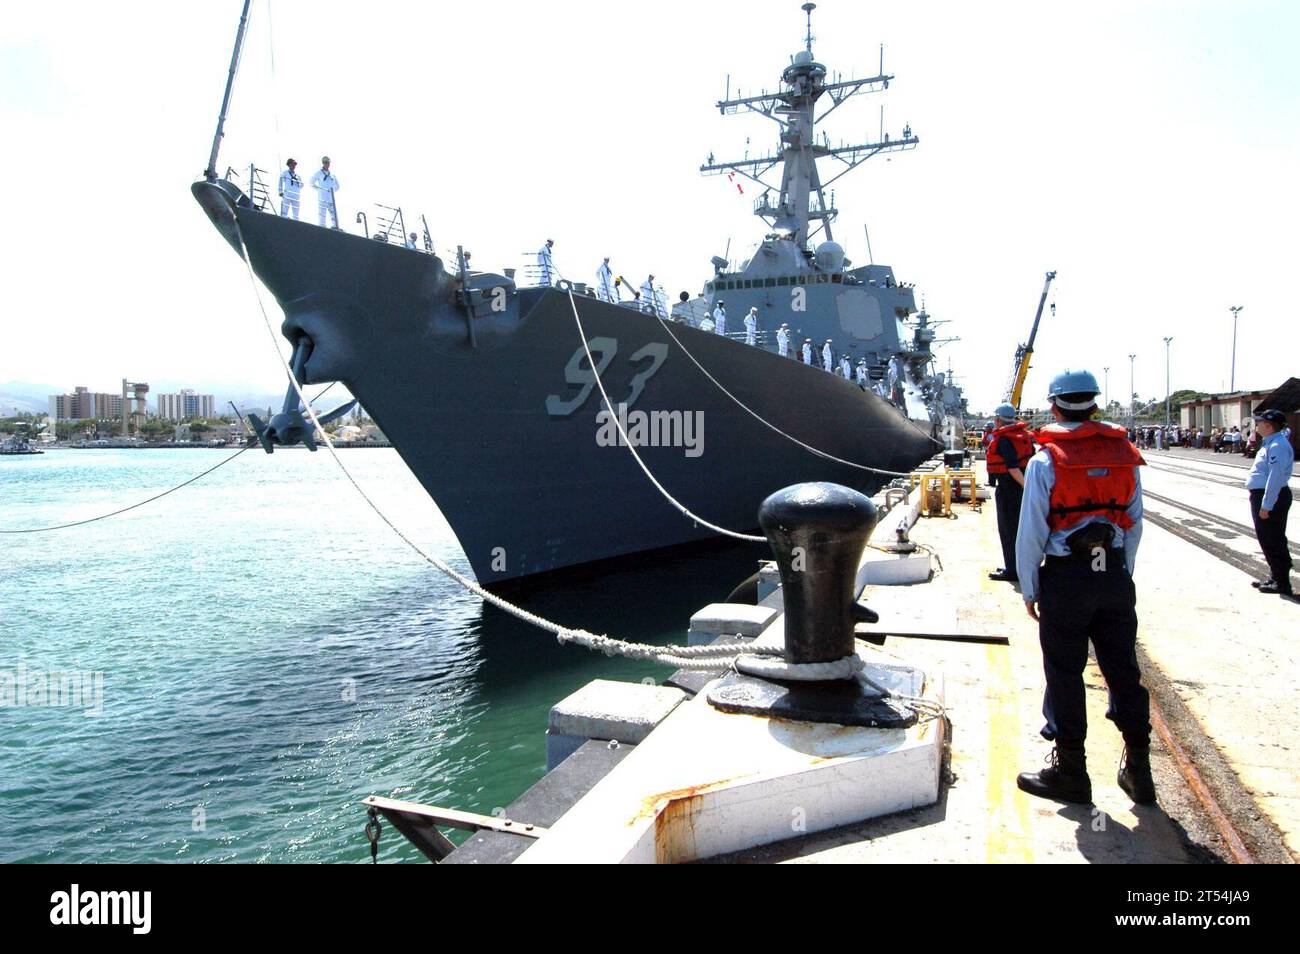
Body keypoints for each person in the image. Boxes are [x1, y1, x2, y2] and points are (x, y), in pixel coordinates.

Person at [1015, 368, 1153, 806]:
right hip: (1111, 575)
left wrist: (1030, 588)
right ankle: (1140, 772)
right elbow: (1134, 524)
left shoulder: (1045, 460)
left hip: (1066, 579)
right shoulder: (1124, 455)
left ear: (1054, 406)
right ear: (1094, 404)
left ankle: (1071, 772)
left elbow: (1031, 531)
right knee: (1123, 671)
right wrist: (1120, 574)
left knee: (1064, 672)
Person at [1245, 409, 1295, 598]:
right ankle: (1275, 577)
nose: (1257, 425)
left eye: (1260, 422)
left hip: (1271, 496)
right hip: (1265, 495)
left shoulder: (1277, 446)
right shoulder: (1272, 442)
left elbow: (1274, 478)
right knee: (1268, 538)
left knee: (1273, 538)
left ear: (1268, 425)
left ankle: (1282, 582)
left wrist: (1266, 505)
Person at [986, 402, 1035, 584]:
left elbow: (1013, 468)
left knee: (1008, 531)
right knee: (1021, 531)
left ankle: (1012, 570)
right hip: (1021, 489)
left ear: (998, 421)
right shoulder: (1023, 436)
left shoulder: (1005, 439)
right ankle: (1018, 566)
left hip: (1009, 489)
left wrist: (1025, 487)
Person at [310, 156, 340, 228]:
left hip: (331, 198)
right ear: (323, 163)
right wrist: (320, 190)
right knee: (322, 214)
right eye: (325, 162)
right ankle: (322, 226)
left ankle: (335, 226)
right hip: (322, 197)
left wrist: (332, 191)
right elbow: (311, 182)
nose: (327, 164)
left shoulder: (332, 175)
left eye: (328, 162)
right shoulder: (318, 173)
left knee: (334, 213)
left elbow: (338, 186)